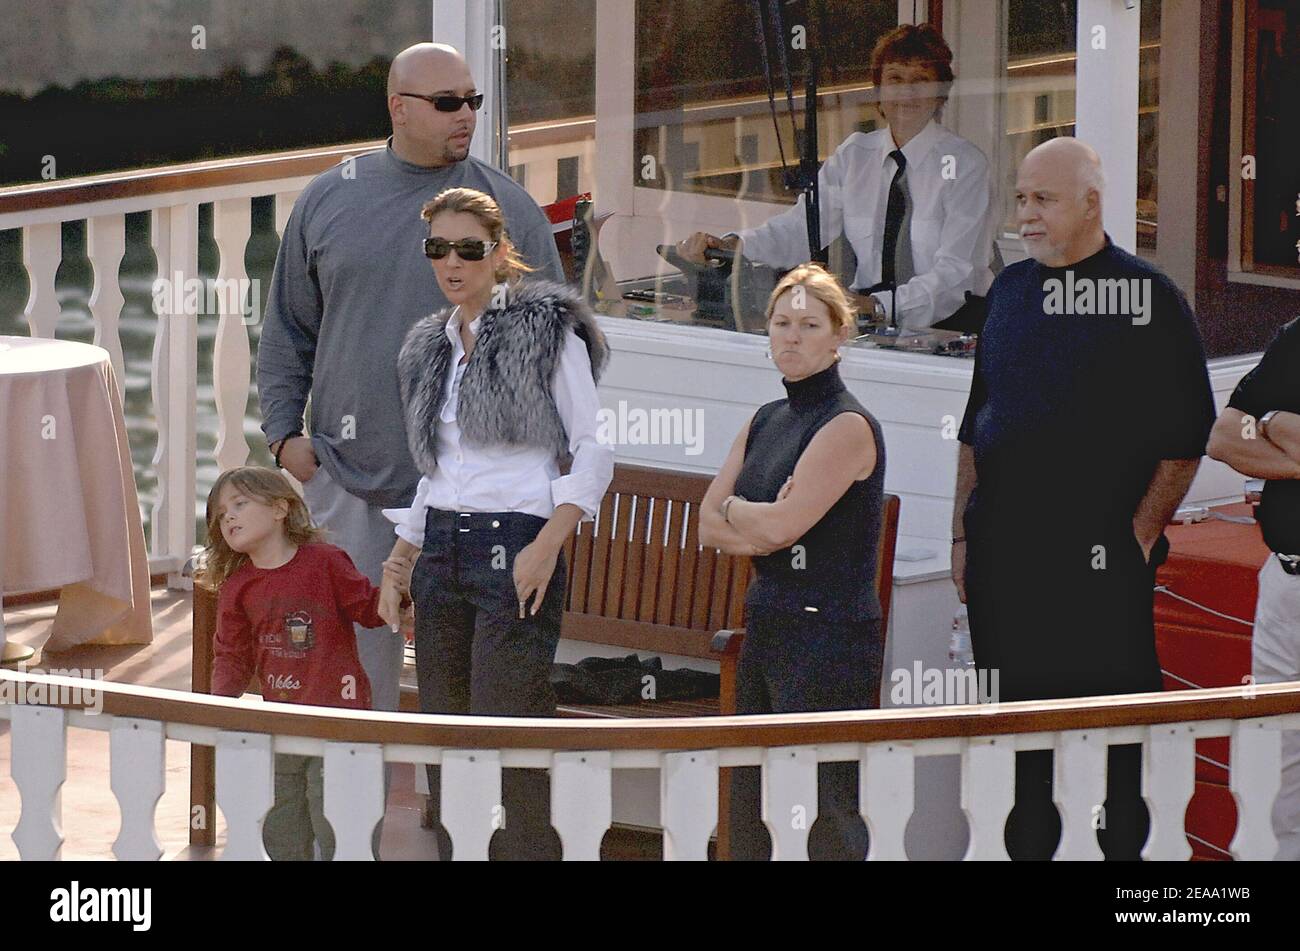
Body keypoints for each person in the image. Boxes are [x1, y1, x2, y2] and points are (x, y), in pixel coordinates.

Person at [257, 43, 564, 715]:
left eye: (473, 101)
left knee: (464, 700)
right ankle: (346, 820)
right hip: (351, 482)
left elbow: (555, 358)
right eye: (448, 103)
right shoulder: (329, 199)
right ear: (398, 107)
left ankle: (460, 820)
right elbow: (287, 325)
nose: (467, 116)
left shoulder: (509, 211)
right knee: (345, 688)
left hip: (474, 503)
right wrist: (285, 437)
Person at [953, 137, 1216, 860]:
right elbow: (977, 424)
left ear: (1092, 204)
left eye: (1043, 200)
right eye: (1020, 200)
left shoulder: (1150, 299)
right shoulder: (1007, 292)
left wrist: (1137, 533)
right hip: (1004, 567)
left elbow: (1187, 437)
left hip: (1098, 574)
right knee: (1019, 755)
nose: (1026, 216)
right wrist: (960, 538)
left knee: (1115, 760)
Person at [377, 187, 614, 861]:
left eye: (468, 249)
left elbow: (593, 446)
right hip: (444, 550)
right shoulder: (433, 344)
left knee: (508, 726)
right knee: (447, 735)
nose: (452, 262)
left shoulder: (545, 327)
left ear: (500, 251)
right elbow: (439, 470)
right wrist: (400, 563)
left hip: (516, 541)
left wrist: (546, 545)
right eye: (438, 249)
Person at [699, 263, 885, 860]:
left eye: (809, 324)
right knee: (750, 797)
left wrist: (746, 517)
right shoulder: (765, 419)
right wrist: (747, 513)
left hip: (828, 633)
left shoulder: (847, 424)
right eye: (782, 322)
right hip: (769, 619)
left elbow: (783, 527)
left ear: (839, 336)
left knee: (826, 804)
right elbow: (707, 525)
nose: (792, 336)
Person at [677, 23, 993, 331]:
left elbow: (955, 274)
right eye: (895, 78)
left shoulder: (964, 165)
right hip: (867, 321)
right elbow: (800, 229)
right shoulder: (855, 155)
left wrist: (878, 306)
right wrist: (735, 246)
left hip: (949, 327)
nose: (906, 92)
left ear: (940, 94)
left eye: (921, 80)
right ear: (878, 89)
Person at [200, 467, 407, 861]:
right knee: (282, 827)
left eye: (240, 504)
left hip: (340, 722)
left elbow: (367, 607)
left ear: (280, 508)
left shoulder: (325, 562)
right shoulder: (237, 586)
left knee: (340, 826)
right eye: (220, 512)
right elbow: (232, 654)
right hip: (281, 724)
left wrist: (399, 594)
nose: (228, 516)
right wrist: (219, 707)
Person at [1207, 317, 1300, 861]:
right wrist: (1271, 421)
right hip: (1285, 584)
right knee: (1274, 765)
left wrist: (1273, 422)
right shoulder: (1296, 338)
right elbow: (1224, 436)